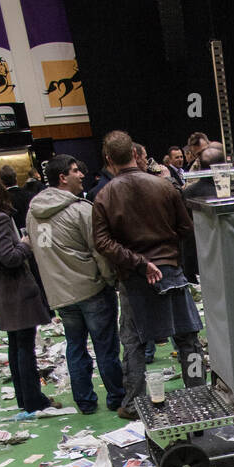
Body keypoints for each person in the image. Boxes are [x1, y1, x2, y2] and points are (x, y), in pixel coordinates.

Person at [91, 130, 204, 419]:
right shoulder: (164, 187)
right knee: (188, 338)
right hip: (170, 272)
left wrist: (139, 262)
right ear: (135, 154)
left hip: (134, 278)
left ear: (108, 159)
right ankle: (198, 391)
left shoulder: (104, 196)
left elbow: (102, 242)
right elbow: (186, 229)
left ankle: (132, 403)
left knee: (134, 344)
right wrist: (165, 255)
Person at [27, 155, 123, 416]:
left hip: (60, 294)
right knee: (106, 347)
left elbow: (37, 251)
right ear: (62, 177)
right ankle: (117, 396)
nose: (82, 175)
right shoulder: (81, 210)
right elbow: (99, 252)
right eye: (75, 171)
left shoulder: (33, 213)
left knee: (75, 346)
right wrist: (110, 280)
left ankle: (85, 402)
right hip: (90, 289)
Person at [0, 170, 56, 417]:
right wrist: (26, 245)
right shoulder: (0, 218)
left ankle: (24, 398)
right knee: (25, 347)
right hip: (16, 289)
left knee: (16, 345)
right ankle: (34, 400)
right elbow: (10, 257)